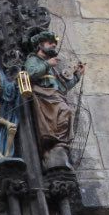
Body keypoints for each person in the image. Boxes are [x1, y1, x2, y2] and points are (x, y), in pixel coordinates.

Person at [25, 30, 84, 170]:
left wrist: (77, 76)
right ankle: (52, 144)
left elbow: (62, 88)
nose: (53, 45)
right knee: (64, 110)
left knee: (66, 112)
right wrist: (47, 65)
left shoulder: (51, 67)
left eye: (54, 44)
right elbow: (30, 73)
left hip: (54, 96)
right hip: (43, 97)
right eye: (50, 43)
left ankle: (59, 142)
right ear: (40, 45)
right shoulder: (33, 59)